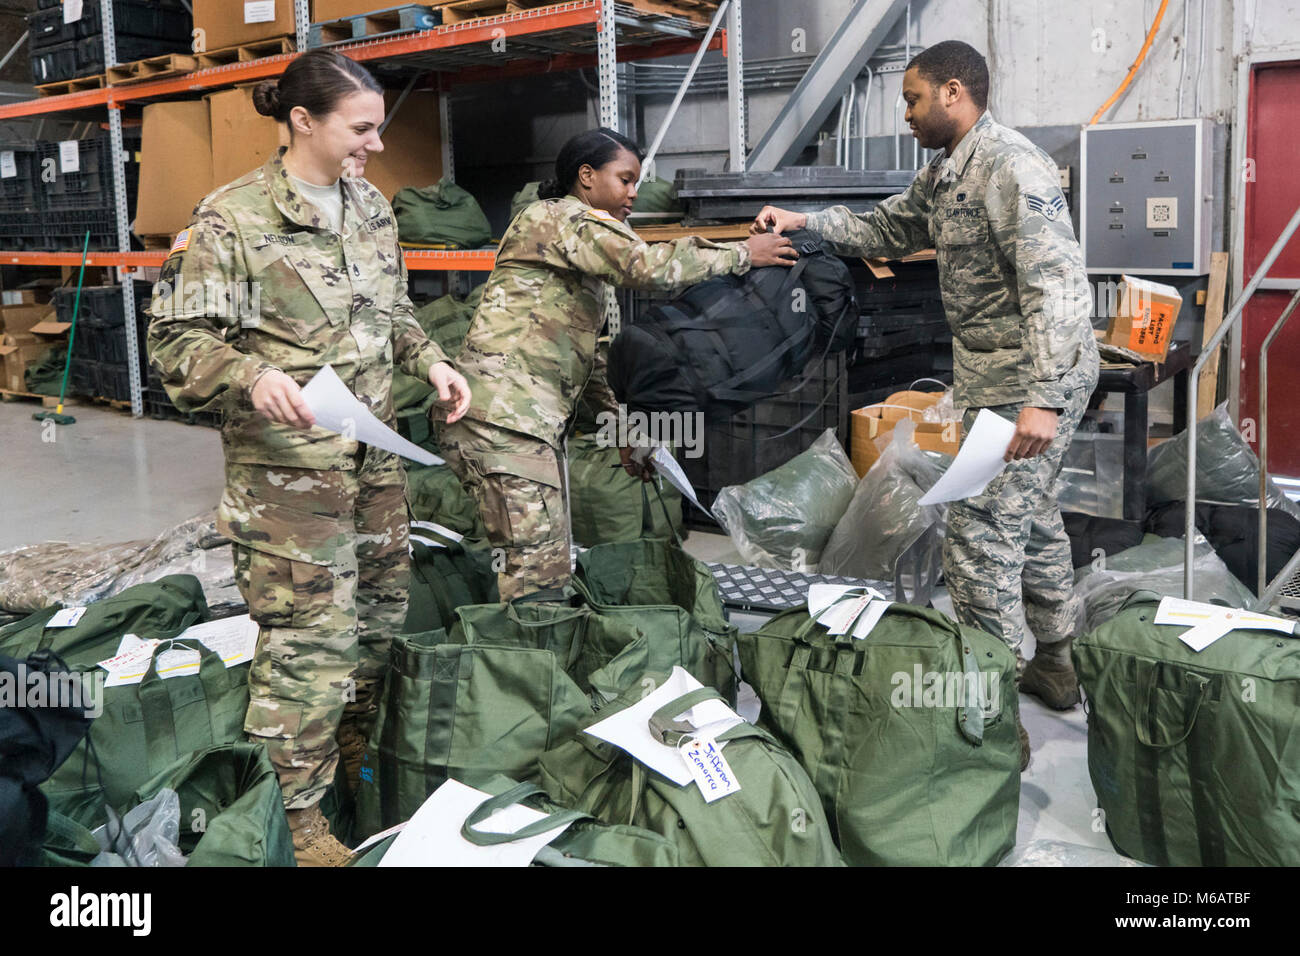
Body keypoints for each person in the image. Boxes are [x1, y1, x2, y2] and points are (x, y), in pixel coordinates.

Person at [146, 49, 471, 865]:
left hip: (374, 469)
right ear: (303, 121)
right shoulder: (232, 220)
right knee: (307, 652)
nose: (377, 147)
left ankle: (348, 776)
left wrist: (431, 360)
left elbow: (391, 311)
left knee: (375, 631)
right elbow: (177, 340)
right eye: (360, 129)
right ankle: (290, 822)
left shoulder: (369, 207)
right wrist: (250, 375)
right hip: (288, 489)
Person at [753, 40, 1099, 770]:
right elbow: (885, 230)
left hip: (1031, 386)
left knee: (978, 538)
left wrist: (1042, 401)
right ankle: (1058, 667)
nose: (904, 115)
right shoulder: (947, 173)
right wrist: (803, 222)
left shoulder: (1012, 166)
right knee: (1031, 521)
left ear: (953, 92)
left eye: (912, 99)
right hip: (996, 383)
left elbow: (1059, 286)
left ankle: (995, 718)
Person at [440, 127, 798, 600]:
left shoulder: (578, 256)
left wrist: (624, 435)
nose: (634, 193)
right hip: (503, 422)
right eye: (625, 179)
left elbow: (586, 364)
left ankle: (536, 656)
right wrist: (740, 255)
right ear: (586, 176)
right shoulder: (559, 218)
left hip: (517, 424)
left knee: (542, 565)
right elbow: (645, 267)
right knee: (536, 579)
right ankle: (525, 663)